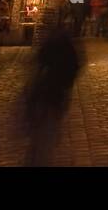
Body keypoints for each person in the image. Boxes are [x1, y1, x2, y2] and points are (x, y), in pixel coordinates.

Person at [24, 22, 81, 166]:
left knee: (40, 137)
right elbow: (73, 69)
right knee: (47, 135)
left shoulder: (48, 48)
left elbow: (37, 66)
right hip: (55, 96)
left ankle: (35, 158)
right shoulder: (67, 50)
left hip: (44, 94)